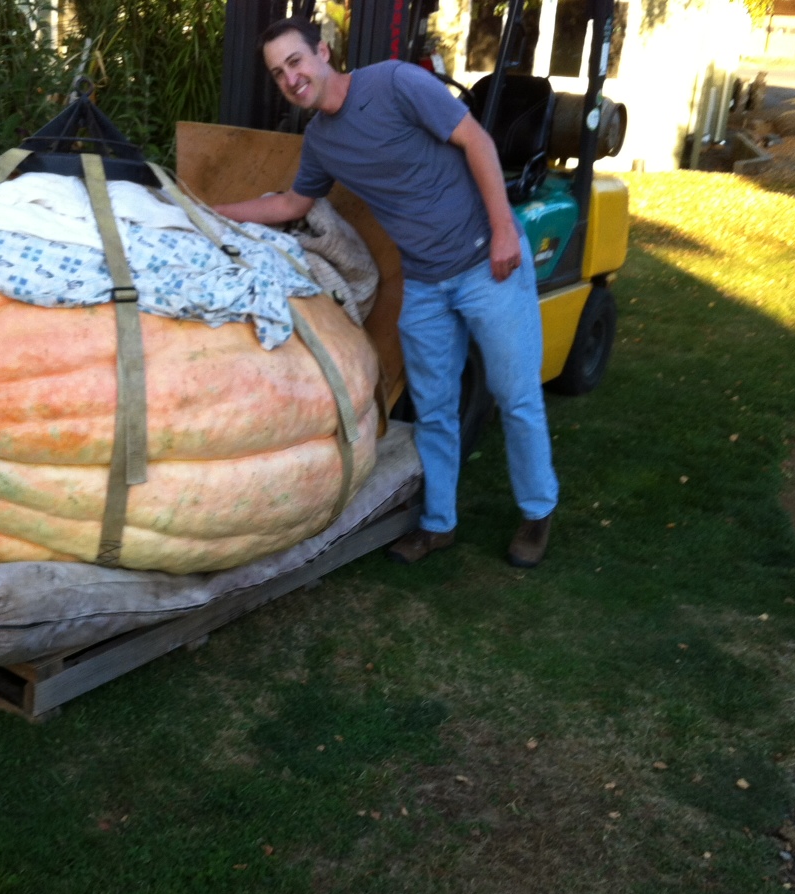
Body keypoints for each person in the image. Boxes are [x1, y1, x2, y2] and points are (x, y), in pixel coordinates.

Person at [215, 17, 558, 567]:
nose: (290, 78)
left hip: (485, 262)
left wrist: (501, 229)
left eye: (295, 61)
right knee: (434, 409)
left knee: (515, 397)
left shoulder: (395, 82)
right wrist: (208, 211)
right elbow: (291, 204)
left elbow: (476, 139)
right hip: (425, 282)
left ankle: (537, 511)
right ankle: (438, 523)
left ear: (323, 52)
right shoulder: (321, 141)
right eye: (278, 73)